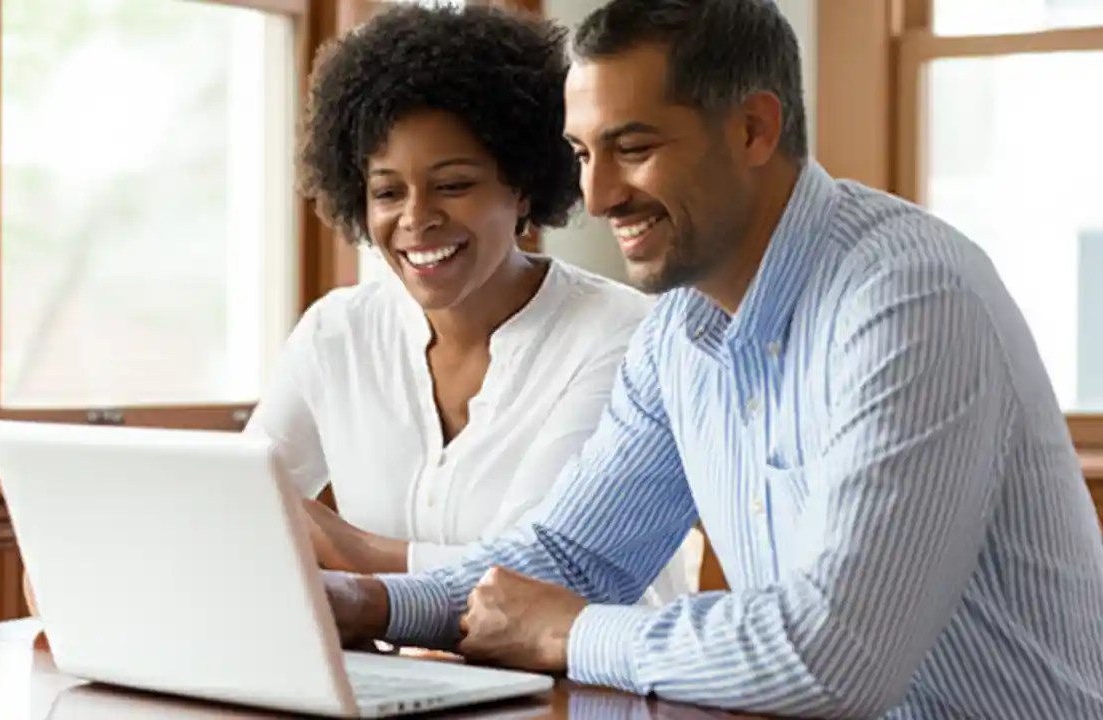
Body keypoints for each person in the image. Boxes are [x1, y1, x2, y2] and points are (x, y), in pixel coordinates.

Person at [322, 1, 1103, 717]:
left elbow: (832, 658)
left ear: (754, 131)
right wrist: (374, 602)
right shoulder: (676, 335)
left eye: (633, 148)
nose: (597, 197)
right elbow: (571, 556)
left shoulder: (909, 298)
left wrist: (573, 633)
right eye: (582, 153)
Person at [246, 4, 697, 600]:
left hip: (593, 687)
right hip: (415, 683)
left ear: (523, 186)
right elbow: (237, 509)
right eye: (387, 191)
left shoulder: (621, 335)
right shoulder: (336, 334)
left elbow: (537, 575)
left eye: (453, 185)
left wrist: (348, 548)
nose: (415, 218)